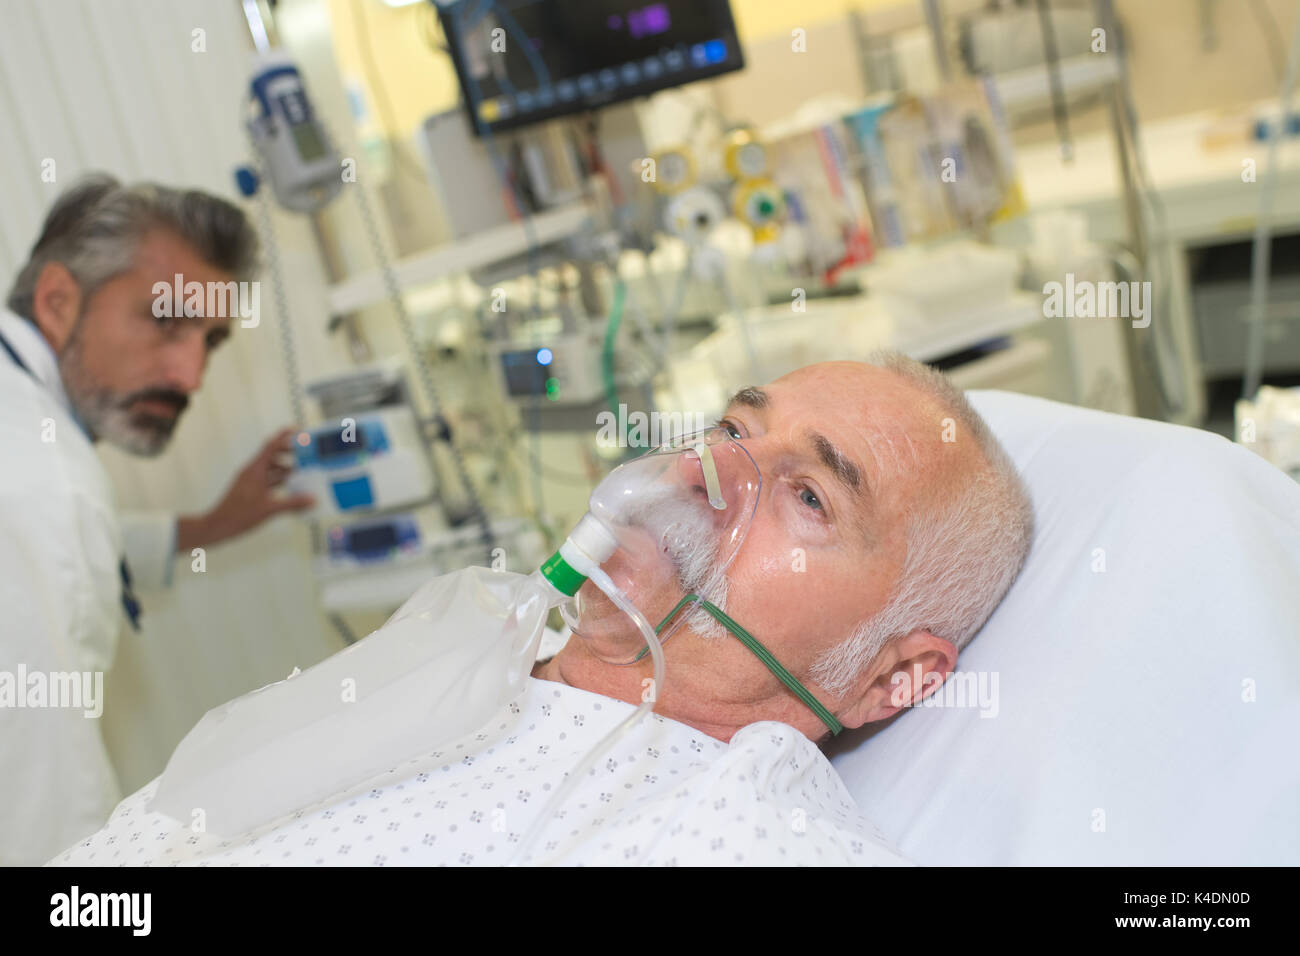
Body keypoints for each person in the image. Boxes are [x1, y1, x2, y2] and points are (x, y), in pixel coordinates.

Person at [52, 355, 1034, 866]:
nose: (702, 472)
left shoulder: (730, 827)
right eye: (734, 428)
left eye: (808, 495)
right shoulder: (475, 646)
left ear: (893, 677)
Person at [0, 174, 314, 866]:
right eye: (165, 323)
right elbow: (44, 825)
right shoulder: (48, 485)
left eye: (212, 340)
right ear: (57, 302)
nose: (190, 375)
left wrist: (205, 526)